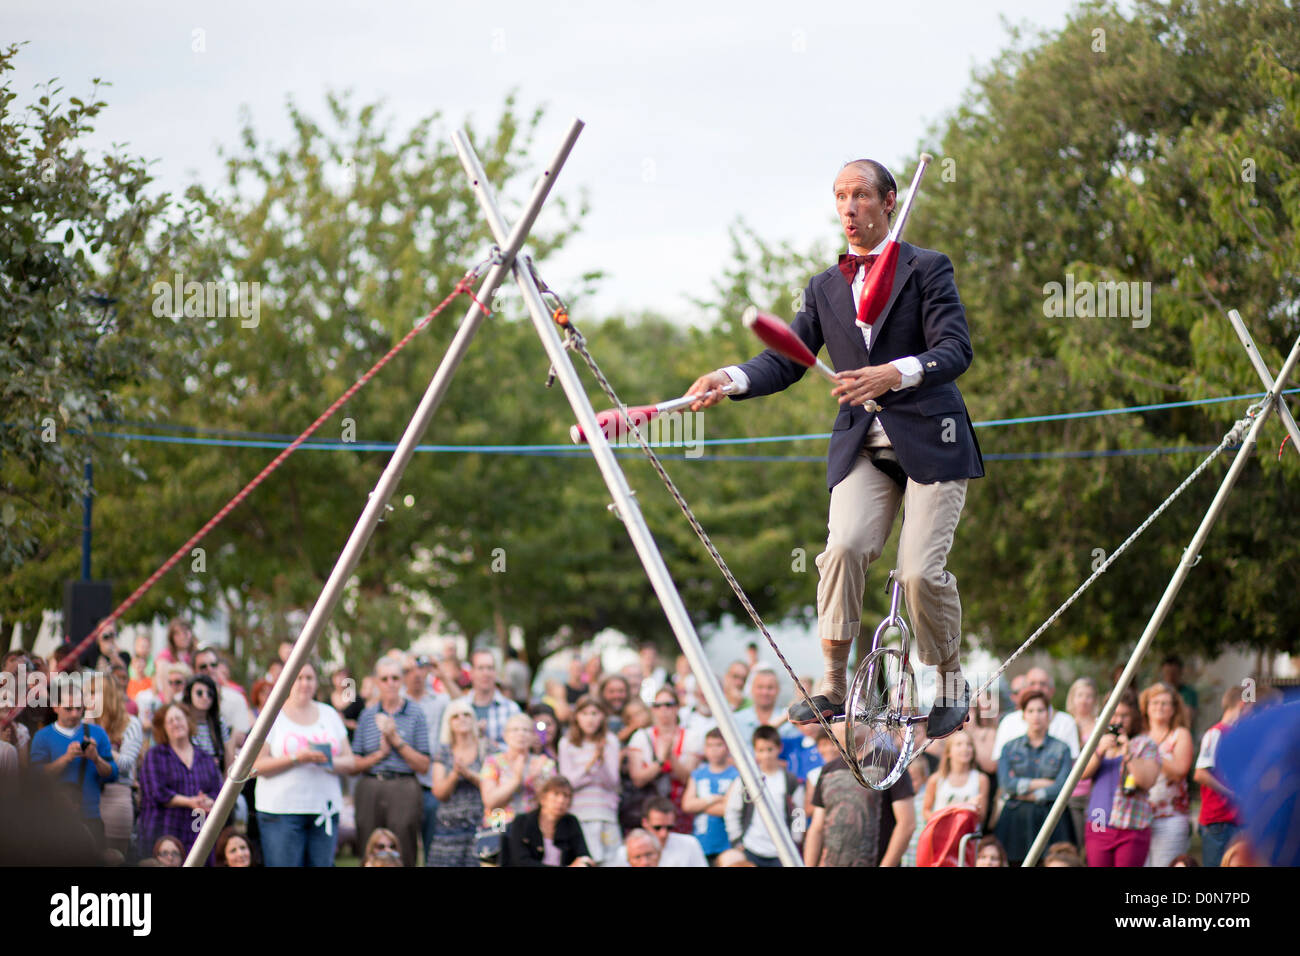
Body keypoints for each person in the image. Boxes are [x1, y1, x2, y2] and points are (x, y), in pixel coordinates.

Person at [688, 157, 982, 739]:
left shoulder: (927, 268)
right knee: (843, 548)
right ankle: (832, 682)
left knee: (918, 573)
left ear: (889, 202)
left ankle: (949, 681)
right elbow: (786, 358)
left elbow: (955, 350)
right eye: (840, 197)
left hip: (933, 439)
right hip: (863, 446)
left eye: (861, 196)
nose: (849, 208)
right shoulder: (824, 287)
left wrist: (891, 374)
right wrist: (730, 378)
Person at [252, 661, 356, 866]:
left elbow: (350, 761)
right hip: (281, 812)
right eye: (298, 678)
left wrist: (325, 759)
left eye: (309, 678)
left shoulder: (329, 714)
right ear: (287, 681)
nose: (304, 683)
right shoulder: (273, 715)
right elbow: (256, 766)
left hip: (323, 810)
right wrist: (296, 758)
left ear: (317, 682)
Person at [349, 657, 431, 868]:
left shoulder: (415, 713)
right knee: (369, 846)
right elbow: (354, 764)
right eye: (385, 679)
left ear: (402, 681)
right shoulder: (367, 715)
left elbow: (423, 765)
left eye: (395, 678)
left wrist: (396, 741)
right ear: (377, 682)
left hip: (403, 785)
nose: (390, 683)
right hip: (370, 785)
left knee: (403, 846)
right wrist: (379, 754)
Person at [29, 675, 119, 851]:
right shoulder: (43, 736)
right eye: (68, 708)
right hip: (53, 818)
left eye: (79, 708)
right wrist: (65, 759)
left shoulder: (97, 733)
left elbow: (113, 774)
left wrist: (96, 759)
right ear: (55, 707)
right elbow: (34, 777)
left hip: (90, 815)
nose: (75, 714)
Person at [805, 724, 914, 867]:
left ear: (871, 724)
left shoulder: (890, 762)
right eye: (843, 718)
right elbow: (817, 827)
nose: (850, 722)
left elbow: (907, 824)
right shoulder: (828, 770)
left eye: (857, 715)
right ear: (832, 727)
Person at [995, 690, 1075, 866]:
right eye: (1030, 711)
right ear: (1023, 715)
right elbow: (1006, 784)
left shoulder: (1062, 748)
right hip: (1016, 819)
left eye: (1041, 710)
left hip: (1051, 817)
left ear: (1049, 714)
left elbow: (1062, 787)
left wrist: (1025, 792)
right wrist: (1041, 784)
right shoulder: (1009, 747)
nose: (1036, 716)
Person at [1081, 693, 1160, 867]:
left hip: (1131, 824)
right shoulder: (1097, 741)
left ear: (1134, 717)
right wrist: (1100, 751)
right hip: (1099, 821)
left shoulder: (1145, 744)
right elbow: (1081, 774)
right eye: (1114, 715)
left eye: (1124, 715)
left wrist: (1127, 752)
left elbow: (1147, 781)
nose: (1118, 720)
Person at [138, 703, 223, 859]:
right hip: (165, 828)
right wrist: (190, 801)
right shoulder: (155, 755)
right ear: (163, 728)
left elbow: (218, 791)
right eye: (170, 721)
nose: (175, 723)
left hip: (198, 831)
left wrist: (209, 801)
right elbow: (157, 792)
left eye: (179, 718)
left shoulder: (205, 758)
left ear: (188, 722)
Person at [430, 697, 495, 867]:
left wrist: (469, 774)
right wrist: (454, 775)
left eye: (466, 714)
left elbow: (495, 788)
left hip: (482, 825)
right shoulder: (443, 752)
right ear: (448, 723)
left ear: (473, 718)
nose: (462, 718)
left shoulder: (487, 748)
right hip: (449, 828)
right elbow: (439, 793)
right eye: (455, 716)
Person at [724, 726, 802, 867]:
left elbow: (799, 812)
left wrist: (796, 840)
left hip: (782, 851)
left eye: (770, 749)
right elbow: (732, 811)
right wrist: (736, 840)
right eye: (761, 750)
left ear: (779, 748)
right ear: (755, 751)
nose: (766, 755)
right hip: (751, 848)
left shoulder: (790, 780)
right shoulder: (746, 779)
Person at [557, 695, 621, 865]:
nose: (590, 719)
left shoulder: (610, 741)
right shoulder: (567, 743)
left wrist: (602, 762)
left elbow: (612, 782)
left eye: (595, 713)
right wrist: (591, 763)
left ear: (602, 716)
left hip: (605, 814)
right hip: (579, 815)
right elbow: (568, 783)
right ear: (577, 716)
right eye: (585, 713)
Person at [1194, 685, 1253, 867]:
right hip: (1219, 819)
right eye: (1252, 709)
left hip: (1237, 818)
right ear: (1243, 705)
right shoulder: (1216, 733)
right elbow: (1200, 774)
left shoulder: (1239, 735)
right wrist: (1232, 793)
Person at [84, 673, 142, 856]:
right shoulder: (84, 721)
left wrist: (100, 744)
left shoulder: (131, 723)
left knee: (114, 857)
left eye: (94, 692)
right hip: (86, 795)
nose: (89, 698)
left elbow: (125, 763)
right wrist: (88, 723)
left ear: (108, 696)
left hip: (116, 796)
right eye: (88, 692)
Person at [626, 686, 698, 831]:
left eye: (668, 705)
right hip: (651, 809)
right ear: (652, 709)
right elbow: (638, 779)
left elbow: (688, 778)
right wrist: (660, 760)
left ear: (677, 707)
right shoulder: (641, 736)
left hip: (681, 809)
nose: (663, 710)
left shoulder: (692, 736)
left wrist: (670, 756)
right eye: (658, 706)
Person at [1138, 681, 1193, 867]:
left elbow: (1179, 771)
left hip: (1171, 816)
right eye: (1154, 702)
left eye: (1165, 703)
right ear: (1146, 708)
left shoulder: (1180, 734)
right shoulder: (1139, 736)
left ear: (1173, 709)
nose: (1159, 707)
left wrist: (1154, 752)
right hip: (1140, 817)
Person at [402, 653, 448, 864]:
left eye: (421, 668)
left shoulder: (439, 701)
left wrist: (444, 675)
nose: (416, 674)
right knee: (404, 846)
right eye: (409, 670)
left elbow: (463, 705)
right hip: (403, 782)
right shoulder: (398, 700)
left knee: (433, 848)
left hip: (431, 785)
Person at [480, 712, 556, 829]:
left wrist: (536, 780)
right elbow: (490, 801)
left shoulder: (544, 763)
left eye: (526, 730)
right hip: (499, 825)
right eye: (515, 730)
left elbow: (552, 803)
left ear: (533, 736)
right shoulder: (493, 762)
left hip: (532, 827)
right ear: (505, 735)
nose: (520, 734)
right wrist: (516, 779)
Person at [502, 775, 594, 867]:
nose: (561, 800)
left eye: (566, 796)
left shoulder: (571, 822)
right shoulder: (522, 822)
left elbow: (584, 857)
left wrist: (584, 863)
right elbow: (520, 861)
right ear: (543, 798)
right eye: (556, 794)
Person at [992, 668, 1080, 760]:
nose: (1037, 688)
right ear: (1024, 690)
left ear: (1052, 690)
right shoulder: (1008, 722)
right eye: (1032, 684)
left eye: (1043, 684)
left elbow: (1072, 760)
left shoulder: (1066, 722)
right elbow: (1000, 760)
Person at [684, 727, 739, 863]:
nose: (713, 750)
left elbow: (728, 809)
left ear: (728, 747)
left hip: (727, 843)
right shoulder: (698, 774)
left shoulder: (736, 775)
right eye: (709, 745)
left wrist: (699, 805)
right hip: (702, 842)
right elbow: (686, 805)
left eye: (719, 745)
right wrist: (715, 798)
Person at [611, 796, 708, 867]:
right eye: (657, 827)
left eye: (669, 827)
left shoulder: (689, 843)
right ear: (645, 822)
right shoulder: (627, 850)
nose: (663, 834)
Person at [1064, 676, 1099, 852]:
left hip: (1096, 793)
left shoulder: (1100, 724)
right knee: (1076, 845)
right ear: (1072, 698)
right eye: (1080, 695)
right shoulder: (1064, 724)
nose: (1084, 700)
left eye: (1089, 696)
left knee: (1096, 843)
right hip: (1072, 794)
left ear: (1095, 700)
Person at [922, 728, 987, 822]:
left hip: (968, 834)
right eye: (959, 744)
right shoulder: (936, 779)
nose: (965, 748)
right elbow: (926, 810)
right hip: (942, 833)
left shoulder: (981, 779)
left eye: (969, 745)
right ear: (948, 752)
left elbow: (982, 817)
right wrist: (940, 820)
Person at [467, 649, 521, 747]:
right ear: (471, 673)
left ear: (496, 672)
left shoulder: (512, 709)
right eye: (480, 668)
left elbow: (518, 748)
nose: (486, 673)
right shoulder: (460, 708)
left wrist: (492, 746)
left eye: (490, 668)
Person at [183, 674, 234, 776]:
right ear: (189, 694)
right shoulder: (183, 721)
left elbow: (228, 753)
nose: (205, 697)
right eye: (199, 693)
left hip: (215, 778)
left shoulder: (219, 722)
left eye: (210, 694)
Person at [733, 666, 792, 741]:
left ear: (778, 690)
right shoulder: (736, 719)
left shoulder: (789, 721)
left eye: (770, 687)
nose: (765, 692)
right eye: (760, 687)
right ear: (751, 689)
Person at [1160, 655, 1197, 728]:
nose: (1170, 677)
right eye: (1167, 673)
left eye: (1173, 674)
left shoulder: (1189, 693)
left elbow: (1188, 718)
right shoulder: (1157, 693)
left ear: (1180, 673)